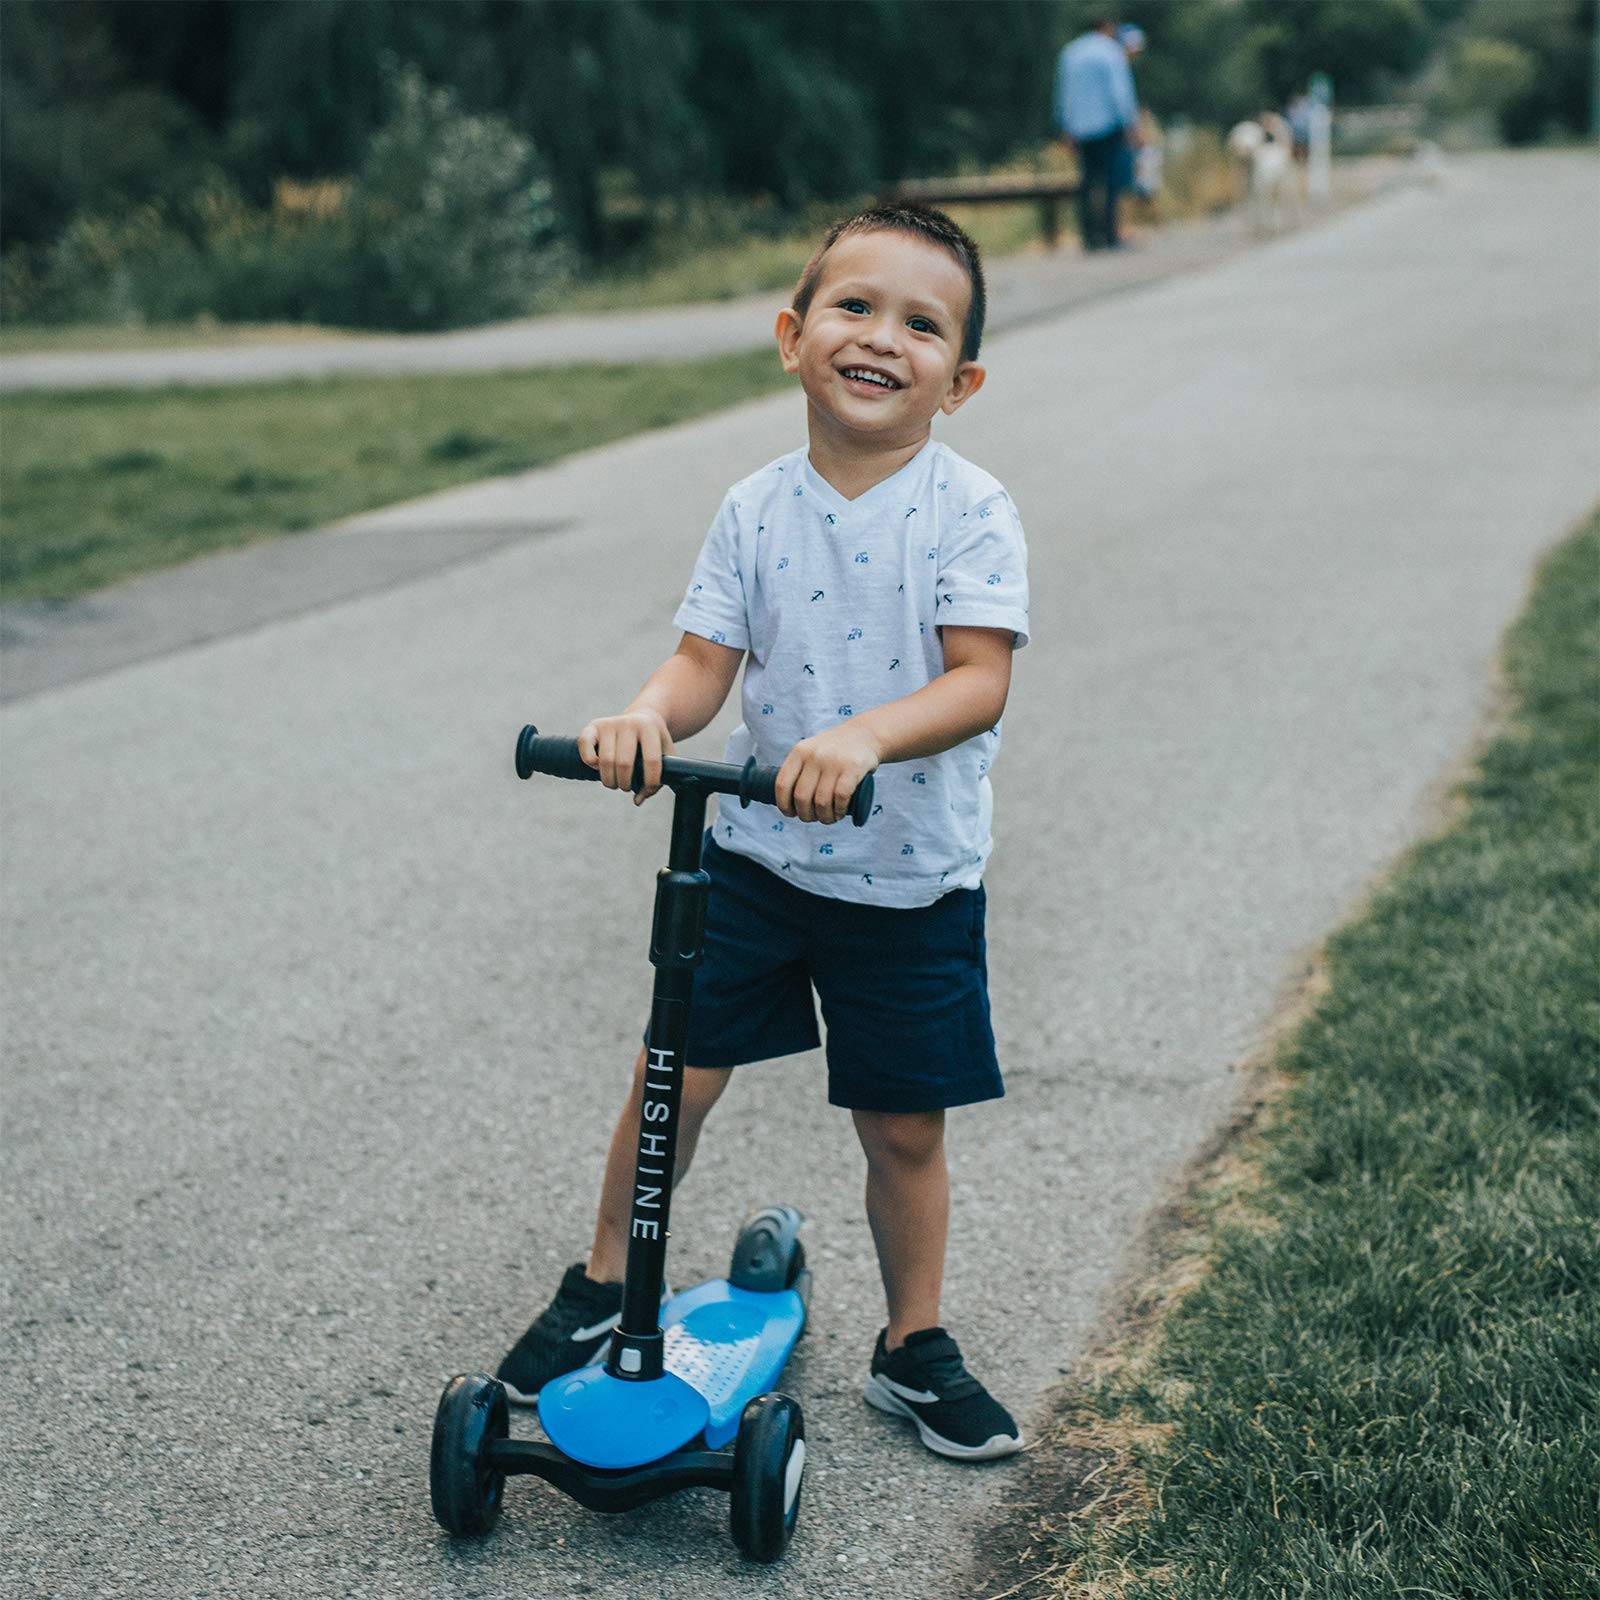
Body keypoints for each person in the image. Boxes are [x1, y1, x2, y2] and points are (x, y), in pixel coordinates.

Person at [497, 203, 1031, 1462]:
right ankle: (599, 1283)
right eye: (854, 308)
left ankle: (913, 1344)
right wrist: (641, 717)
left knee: (903, 1121)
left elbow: (977, 681)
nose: (881, 339)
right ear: (793, 337)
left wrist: (863, 737)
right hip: (755, 860)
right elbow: (701, 664)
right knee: (673, 1074)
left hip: (905, 878)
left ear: (959, 381)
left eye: (921, 324)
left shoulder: (970, 510)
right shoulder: (753, 509)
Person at [1054, 14, 1139, 250]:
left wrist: (1065, 126)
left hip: (1080, 128)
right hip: (1108, 126)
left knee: (1087, 182)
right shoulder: (1110, 51)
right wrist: (1131, 125)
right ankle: (1111, 236)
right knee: (1111, 182)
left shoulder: (1070, 53)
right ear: (1107, 28)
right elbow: (1120, 93)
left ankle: (1089, 238)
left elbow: (1064, 94)